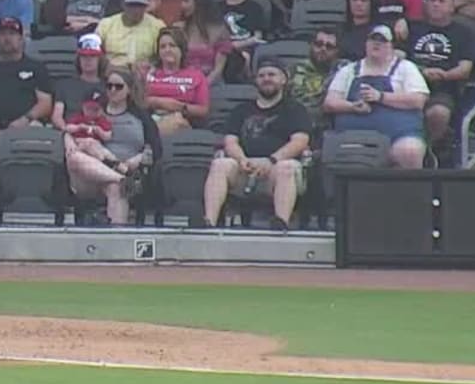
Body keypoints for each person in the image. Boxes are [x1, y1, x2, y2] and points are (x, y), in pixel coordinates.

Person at [196, 58, 312, 231]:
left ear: (283, 80)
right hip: (245, 169)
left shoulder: (295, 110)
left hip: (277, 170)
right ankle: (209, 223)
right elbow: (230, 141)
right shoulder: (241, 110)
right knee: (220, 164)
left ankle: (281, 224)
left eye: (272, 75)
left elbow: (300, 141)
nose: (266, 79)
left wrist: (271, 160)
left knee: (286, 167)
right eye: (261, 75)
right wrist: (242, 160)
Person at [322, 25, 430, 169]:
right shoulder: (348, 70)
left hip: (398, 137)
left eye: (383, 41)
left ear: (391, 46)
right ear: (366, 44)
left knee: (410, 151)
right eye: (373, 39)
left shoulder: (406, 68)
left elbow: (418, 100)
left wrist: (381, 97)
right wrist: (352, 107)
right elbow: (329, 103)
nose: (377, 43)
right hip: (353, 136)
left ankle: (410, 190)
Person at [64, 66, 158, 225]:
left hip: (129, 167)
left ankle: (117, 239)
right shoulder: (94, 109)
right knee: (74, 157)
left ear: (128, 89)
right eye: (109, 86)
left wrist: (134, 161)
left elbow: (154, 148)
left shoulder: (140, 116)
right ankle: (123, 179)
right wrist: (68, 140)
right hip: (92, 172)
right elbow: (71, 128)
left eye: (118, 86)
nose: (113, 90)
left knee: (115, 187)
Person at [394, 0, 475, 160]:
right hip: (410, 86)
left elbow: (465, 69)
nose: (436, 4)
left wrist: (444, 75)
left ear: (452, 7)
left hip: (443, 89)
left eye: (441, 1)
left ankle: (427, 150)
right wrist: (420, 71)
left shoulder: (463, 32)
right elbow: (398, 58)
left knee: (438, 113)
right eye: (432, 0)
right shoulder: (413, 28)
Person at [143, 26, 209, 136]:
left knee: (176, 122)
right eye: (163, 47)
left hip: (182, 118)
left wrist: (178, 106)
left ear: (181, 49)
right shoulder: (149, 73)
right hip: (151, 117)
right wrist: (158, 102)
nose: (167, 50)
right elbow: (137, 101)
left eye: (172, 46)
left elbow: (203, 110)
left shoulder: (196, 75)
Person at [96, 0, 163, 69]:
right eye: (132, 5)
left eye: (140, 6)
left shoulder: (157, 26)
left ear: (146, 6)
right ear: (123, 4)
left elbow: (163, 55)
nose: (136, 10)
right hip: (112, 72)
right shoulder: (106, 24)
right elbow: (94, 51)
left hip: (145, 73)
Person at [48, 31, 107, 122]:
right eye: (83, 56)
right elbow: (57, 117)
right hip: (68, 131)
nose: (88, 60)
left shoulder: (109, 87)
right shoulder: (64, 85)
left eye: (92, 56)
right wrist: (67, 130)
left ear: (100, 59)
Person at [221, 0, 269, 70]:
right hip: (221, 52)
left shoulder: (255, 8)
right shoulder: (215, 8)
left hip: (247, 50)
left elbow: (257, 36)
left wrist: (238, 45)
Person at [291, 29, 342, 125]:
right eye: (319, 44)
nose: (323, 49)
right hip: (298, 119)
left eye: (329, 46)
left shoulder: (344, 70)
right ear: (311, 46)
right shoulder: (295, 68)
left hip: (329, 122)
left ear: (336, 51)